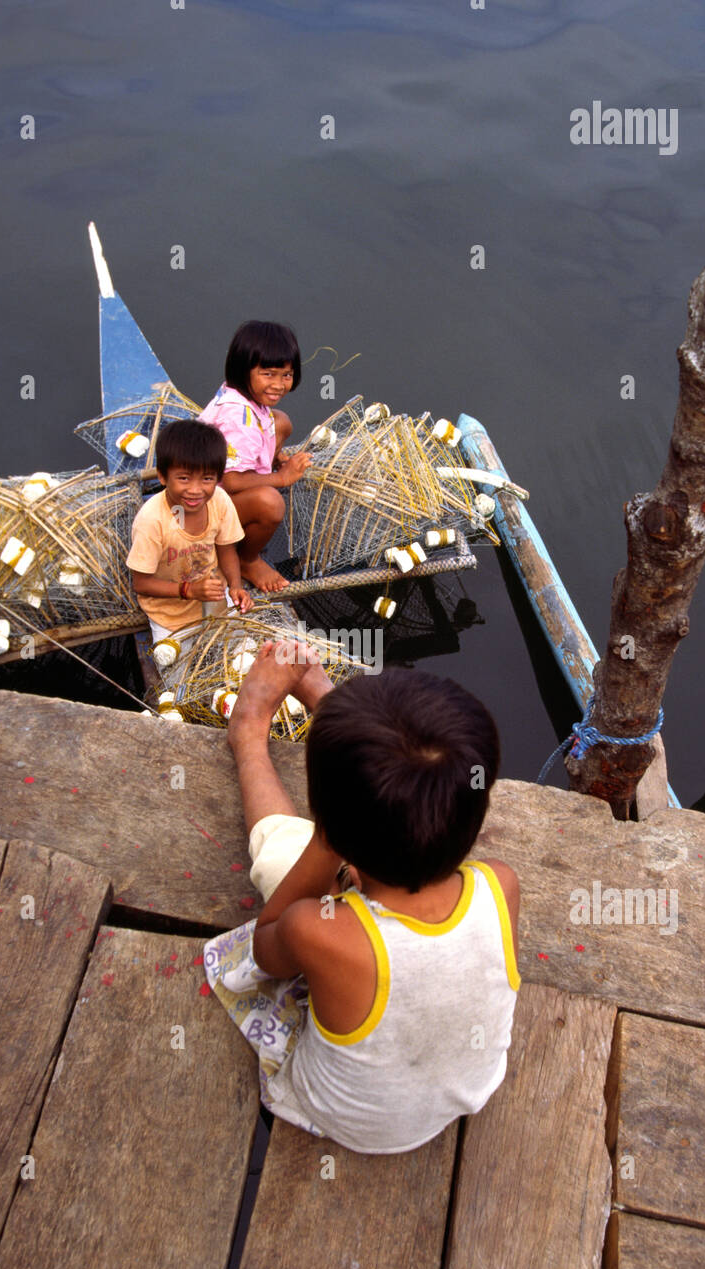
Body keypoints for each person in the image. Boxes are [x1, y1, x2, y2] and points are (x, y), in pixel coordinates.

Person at [204, 643, 521, 1156]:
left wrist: (326, 843)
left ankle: (248, 737)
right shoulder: (501, 885)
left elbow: (264, 948)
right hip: (468, 1089)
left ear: (335, 833)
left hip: (348, 1120)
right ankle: (334, 709)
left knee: (285, 857)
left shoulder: (318, 930)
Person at [197, 321, 312, 595]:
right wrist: (281, 478)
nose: (279, 385)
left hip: (220, 476)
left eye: (286, 375)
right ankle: (246, 559)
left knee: (281, 422)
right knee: (270, 503)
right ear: (243, 369)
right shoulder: (240, 420)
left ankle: (259, 466)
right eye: (268, 374)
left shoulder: (239, 394)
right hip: (203, 504)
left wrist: (268, 459)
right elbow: (232, 481)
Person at [126, 418, 253, 650]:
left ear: (218, 478)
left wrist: (235, 586)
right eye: (183, 478)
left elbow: (226, 551)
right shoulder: (151, 520)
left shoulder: (220, 500)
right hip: (169, 615)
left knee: (243, 657)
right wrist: (189, 590)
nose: (195, 490)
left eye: (207, 478)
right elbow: (141, 584)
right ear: (163, 477)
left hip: (214, 598)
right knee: (177, 677)